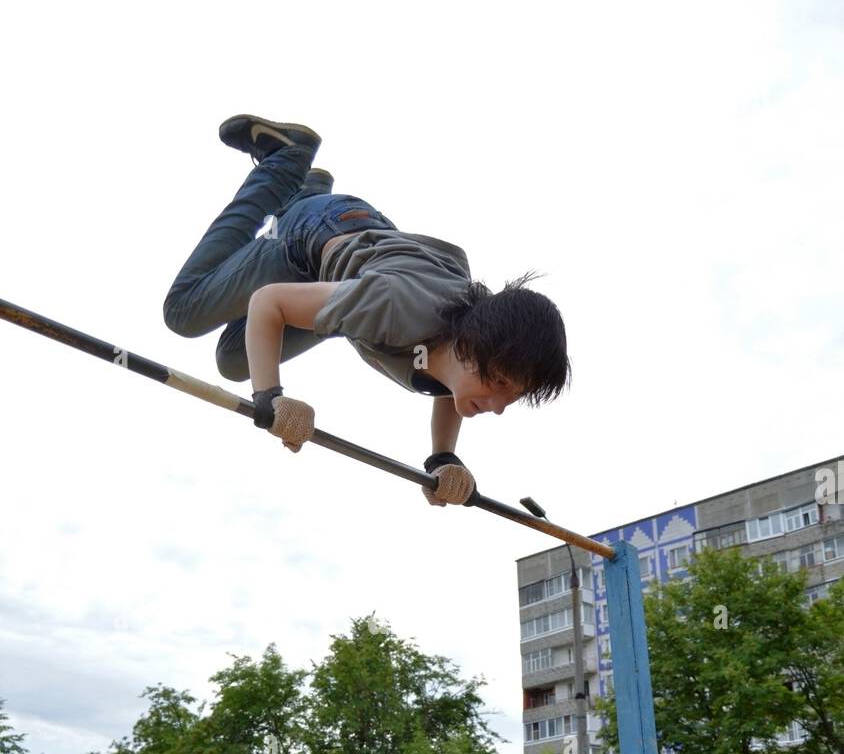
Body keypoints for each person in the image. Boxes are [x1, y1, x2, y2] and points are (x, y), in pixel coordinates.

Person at [163, 115, 570, 509]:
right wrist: (271, 398)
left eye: (510, 396)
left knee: (233, 361)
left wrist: (443, 457)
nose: (496, 405)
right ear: (468, 343)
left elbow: (449, 387)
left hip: (361, 259)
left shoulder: (461, 361)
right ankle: (286, 164)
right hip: (309, 241)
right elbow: (267, 302)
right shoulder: (393, 307)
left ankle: (308, 189)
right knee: (184, 312)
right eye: (497, 381)